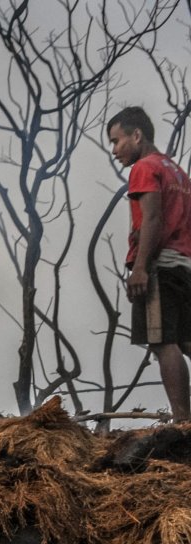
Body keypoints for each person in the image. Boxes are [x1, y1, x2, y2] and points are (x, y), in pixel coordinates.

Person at [107, 106, 191, 422]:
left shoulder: (144, 167)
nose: (115, 151)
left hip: (159, 266)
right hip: (183, 265)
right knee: (185, 340)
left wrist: (140, 267)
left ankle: (183, 423)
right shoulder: (177, 171)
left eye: (117, 141)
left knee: (162, 342)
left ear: (137, 135)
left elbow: (153, 218)